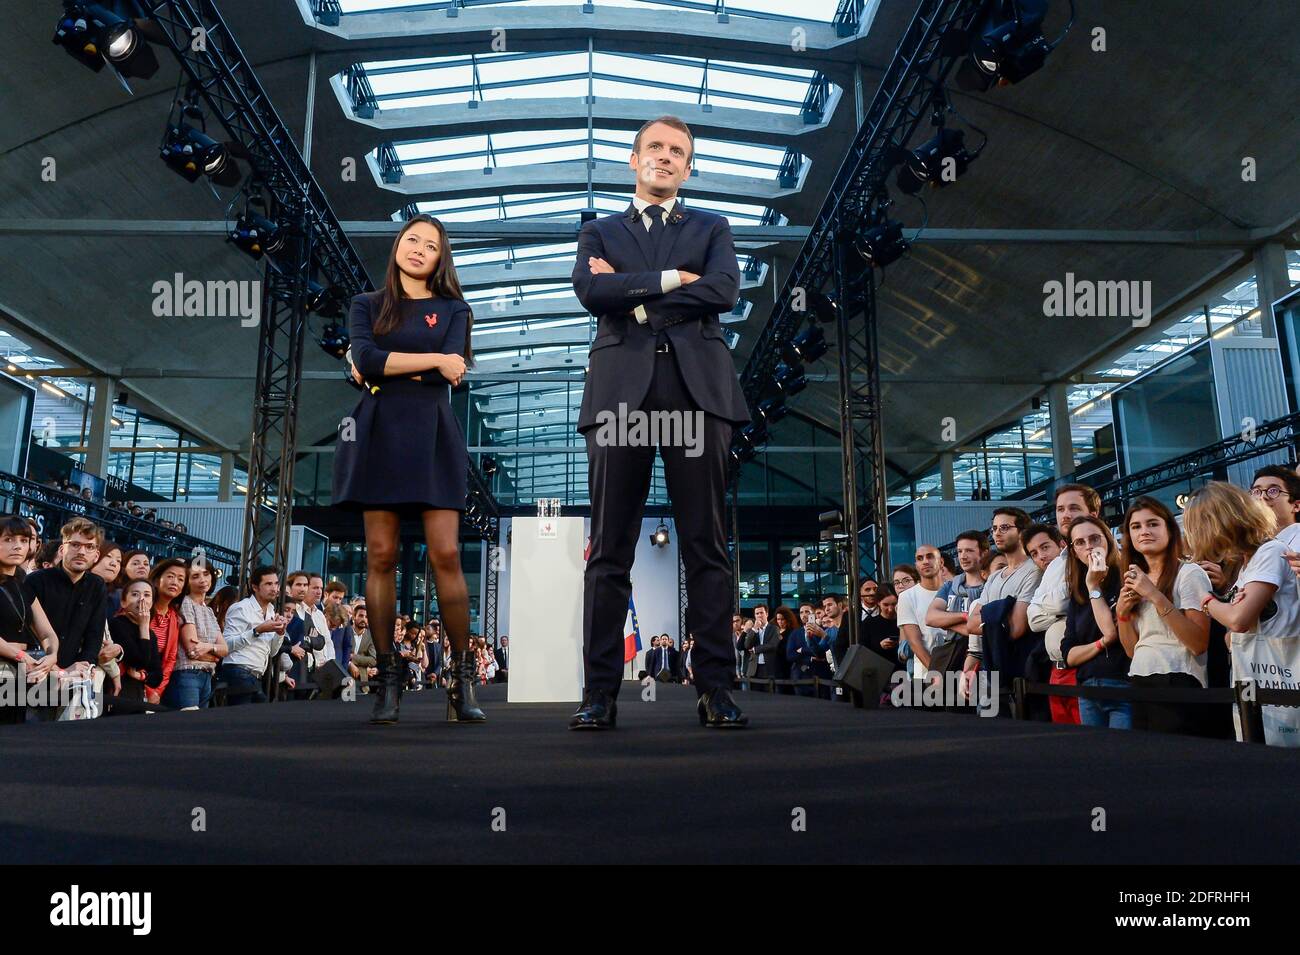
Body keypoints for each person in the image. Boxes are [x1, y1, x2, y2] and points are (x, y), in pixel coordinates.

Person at [569, 115, 751, 730]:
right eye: (656, 149)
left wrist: (633, 297)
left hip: (699, 396)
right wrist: (674, 282)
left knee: (707, 547)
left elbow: (725, 290)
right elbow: (589, 294)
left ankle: (717, 689)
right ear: (634, 160)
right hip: (620, 395)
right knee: (609, 549)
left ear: (689, 167)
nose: (667, 158)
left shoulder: (712, 226)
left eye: (679, 152)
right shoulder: (599, 229)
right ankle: (599, 693)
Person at [333, 213, 484, 726]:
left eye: (431, 246)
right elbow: (367, 360)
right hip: (378, 430)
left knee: (445, 553)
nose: (419, 249)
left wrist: (383, 360)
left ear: (442, 259)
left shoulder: (454, 308)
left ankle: (462, 681)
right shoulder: (365, 304)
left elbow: (452, 367)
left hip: (433, 429)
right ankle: (388, 679)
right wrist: (428, 361)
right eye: (411, 240)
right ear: (397, 245)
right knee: (380, 555)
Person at [1187, 482, 1300, 746]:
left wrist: (1205, 598)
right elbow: (1233, 635)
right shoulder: (1247, 563)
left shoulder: (1269, 552)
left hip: (1280, 680)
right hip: (1256, 680)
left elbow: (1238, 621)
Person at [1115, 496, 1213, 735]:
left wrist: (1155, 595)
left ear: (1170, 529)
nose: (1144, 531)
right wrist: (1121, 614)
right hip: (1139, 676)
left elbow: (1198, 643)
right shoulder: (1133, 578)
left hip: (1179, 677)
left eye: (1153, 523)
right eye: (1136, 526)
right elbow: (1131, 650)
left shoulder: (1189, 574)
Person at [1059, 516, 1130, 729]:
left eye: (1095, 539)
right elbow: (1069, 653)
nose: (1089, 547)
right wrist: (1101, 644)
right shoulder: (1078, 591)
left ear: (1107, 540)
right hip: (1087, 689)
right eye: (1080, 542)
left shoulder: (1125, 578)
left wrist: (1093, 586)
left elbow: (1111, 630)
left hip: (1122, 685)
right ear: (1073, 551)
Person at [0, 515, 61, 724]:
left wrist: (52, 655)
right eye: (8, 540)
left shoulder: (23, 584)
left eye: (23, 541)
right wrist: (21, 656)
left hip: (20, 674)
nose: (17, 546)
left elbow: (47, 632)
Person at [27, 518, 106, 678]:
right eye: (75, 545)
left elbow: (94, 634)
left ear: (96, 555)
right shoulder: (36, 580)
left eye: (89, 547)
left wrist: (85, 665)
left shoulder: (97, 585)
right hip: (33, 670)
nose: (82, 552)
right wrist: (58, 671)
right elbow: (28, 633)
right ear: (62, 549)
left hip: (75, 674)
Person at [221, 566, 289, 705]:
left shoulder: (271, 611)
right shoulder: (241, 608)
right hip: (238, 669)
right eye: (268, 584)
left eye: (276, 583)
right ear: (255, 587)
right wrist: (257, 630)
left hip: (256, 674)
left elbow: (272, 652)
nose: (274, 588)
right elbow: (226, 645)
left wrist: (280, 633)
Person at [168, 557, 228, 710]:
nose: (203, 579)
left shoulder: (208, 610)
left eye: (206, 574)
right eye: (195, 576)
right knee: (187, 727)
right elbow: (193, 650)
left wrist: (209, 648)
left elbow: (225, 650)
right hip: (187, 673)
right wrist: (215, 653)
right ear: (186, 581)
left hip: (207, 675)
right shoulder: (185, 602)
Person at [109, 579, 162, 712]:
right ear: (123, 602)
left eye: (147, 595)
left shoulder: (151, 634)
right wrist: (144, 626)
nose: (141, 599)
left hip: (137, 697)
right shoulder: (117, 624)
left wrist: (141, 676)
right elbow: (139, 660)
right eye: (135, 594)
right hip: (116, 696)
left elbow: (157, 677)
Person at [146, 559, 187, 706]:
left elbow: (170, 659)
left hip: (155, 685)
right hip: (130, 681)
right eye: (170, 576)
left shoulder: (174, 618)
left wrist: (158, 690)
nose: (175, 581)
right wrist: (148, 690)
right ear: (157, 580)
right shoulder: (141, 607)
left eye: (180, 579)